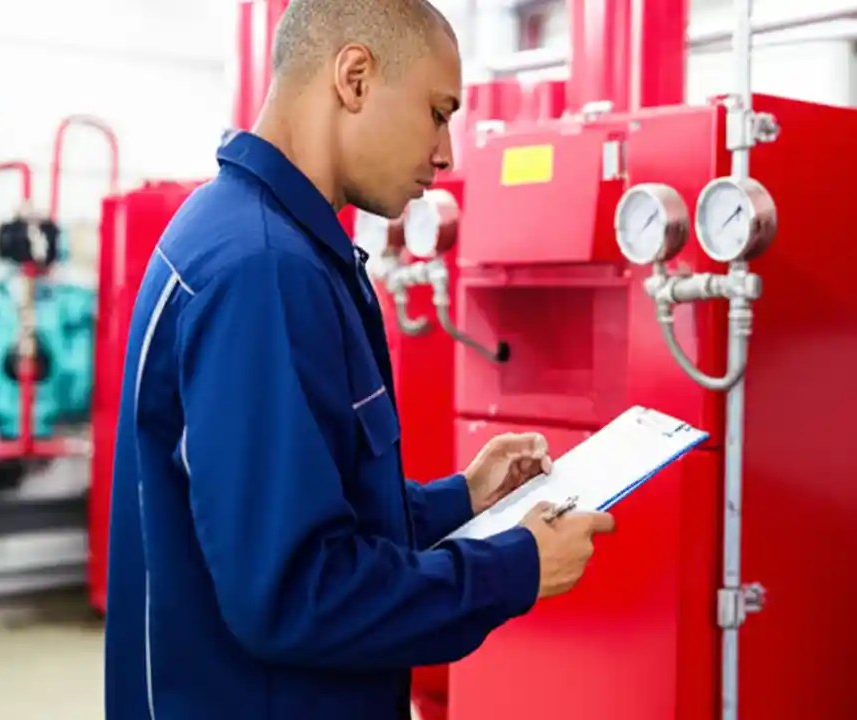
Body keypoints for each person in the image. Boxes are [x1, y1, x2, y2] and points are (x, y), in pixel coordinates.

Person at [102, 0, 616, 717]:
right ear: (354, 78)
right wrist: (513, 569)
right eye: (438, 113)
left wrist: (461, 498)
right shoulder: (262, 270)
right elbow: (295, 592)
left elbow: (299, 503)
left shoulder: (255, 237)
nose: (446, 154)